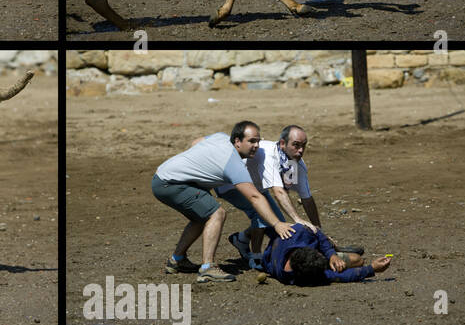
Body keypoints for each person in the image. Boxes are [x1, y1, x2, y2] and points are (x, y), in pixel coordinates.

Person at [152, 121, 295, 283]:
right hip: (170, 183)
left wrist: (196, 164)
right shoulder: (233, 164)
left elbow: (196, 142)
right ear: (237, 141)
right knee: (216, 213)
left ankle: (177, 260)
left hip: (164, 176)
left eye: (258, 141)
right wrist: (277, 224)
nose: (256, 145)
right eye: (251, 141)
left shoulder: (221, 137)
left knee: (200, 217)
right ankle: (208, 268)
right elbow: (255, 197)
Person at [214, 124, 361, 269]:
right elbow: (278, 192)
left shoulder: (295, 163)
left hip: (257, 189)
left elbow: (307, 199)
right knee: (261, 215)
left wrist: (320, 233)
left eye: (304, 145)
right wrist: (297, 219)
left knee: (281, 226)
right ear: (283, 143)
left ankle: (242, 239)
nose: (300, 150)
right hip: (231, 186)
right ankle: (256, 256)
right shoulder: (269, 154)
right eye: (296, 145)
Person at [261, 223, 391, 286]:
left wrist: (331, 255)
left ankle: (335, 249)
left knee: (354, 259)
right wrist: (371, 269)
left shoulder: (297, 232)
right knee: (357, 260)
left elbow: (317, 232)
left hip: (282, 244)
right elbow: (335, 276)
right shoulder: (296, 277)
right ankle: (338, 250)